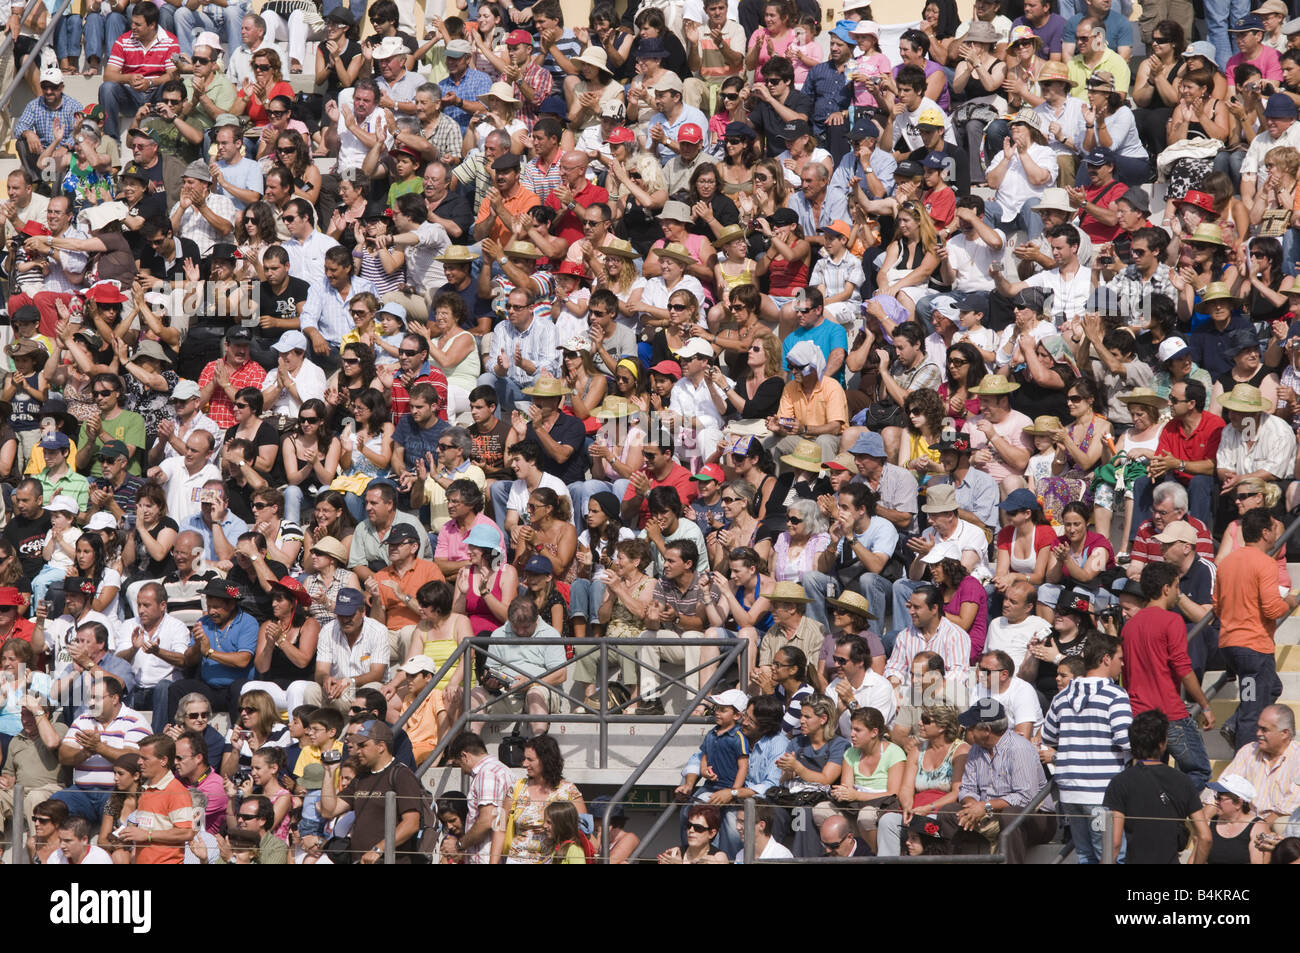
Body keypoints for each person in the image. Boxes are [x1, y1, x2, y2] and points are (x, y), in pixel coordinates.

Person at [1040, 632, 1132, 863]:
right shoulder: (1115, 694)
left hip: (1070, 792)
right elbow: (1126, 740)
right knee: (1111, 856)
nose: (1123, 663)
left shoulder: (1062, 697)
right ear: (1106, 659)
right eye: (1120, 658)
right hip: (1103, 793)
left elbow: (1048, 735)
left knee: (1086, 856)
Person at [1214, 509, 1299, 749]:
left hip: (1230, 645)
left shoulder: (1226, 563)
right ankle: (1244, 773)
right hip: (1253, 647)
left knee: (1273, 687)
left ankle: (1233, 723)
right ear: (1265, 533)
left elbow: (1217, 606)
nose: (1277, 532)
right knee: (1253, 714)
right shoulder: (1265, 563)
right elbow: (1273, 610)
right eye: (1274, 528)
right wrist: (1291, 602)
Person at [935, 699, 1057, 863]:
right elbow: (967, 788)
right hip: (989, 813)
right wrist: (972, 805)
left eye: (970, 727)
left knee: (1011, 815)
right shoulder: (975, 749)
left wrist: (985, 806)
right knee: (947, 812)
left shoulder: (1019, 749)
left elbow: (1027, 797)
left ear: (986, 730)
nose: (966, 731)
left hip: (1036, 817)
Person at [1104, 709, 1212, 863]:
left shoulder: (1120, 782)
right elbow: (1205, 837)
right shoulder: (1183, 781)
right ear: (1162, 744)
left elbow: (1114, 844)